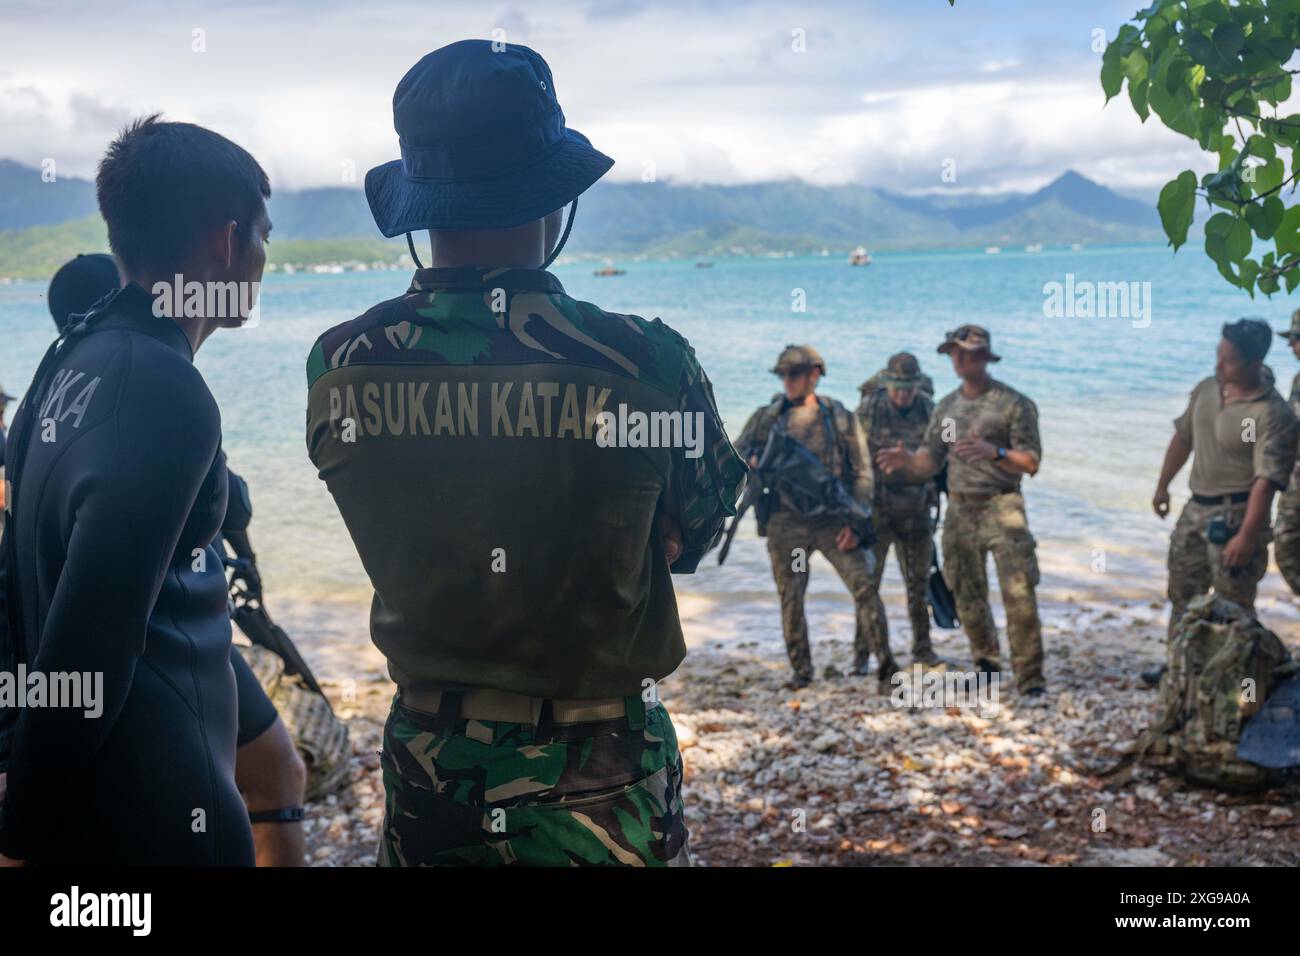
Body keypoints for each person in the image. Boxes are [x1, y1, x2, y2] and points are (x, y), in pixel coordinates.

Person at [305, 40, 745, 867]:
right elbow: (703, 526)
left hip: (431, 767)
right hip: (606, 772)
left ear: (421, 204)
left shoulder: (338, 365)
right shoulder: (649, 361)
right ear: (555, 201)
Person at [0, 116, 270, 866]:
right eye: (263, 238)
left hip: (87, 817)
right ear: (225, 243)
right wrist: (18, 842)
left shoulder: (63, 363)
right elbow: (92, 643)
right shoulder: (165, 391)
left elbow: (18, 591)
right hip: (167, 819)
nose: (262, 262)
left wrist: (20, 790)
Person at [877, 325, 1046, 698]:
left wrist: (997, 453)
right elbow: (931, 461)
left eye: (968, 353)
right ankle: (986, 664)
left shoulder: (1013, 404)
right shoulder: (948, 409)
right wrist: (907, 461)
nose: (960, 359)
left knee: (1018, 593)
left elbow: (1031, 462)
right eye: (954, 353)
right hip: (959, 509)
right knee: (966, 593)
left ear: (985, 357)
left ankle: (1030, 676)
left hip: (1002, 505)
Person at [735, 345, 896, 689]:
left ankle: (886, 669)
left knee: (865, 587)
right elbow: (733, 459)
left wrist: (856, 522)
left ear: (814, 374)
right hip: (786, 523)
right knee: (791, 596)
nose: (787, 380)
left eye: (794, 373)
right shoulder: (768, 418)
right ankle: (802, 672)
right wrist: (749, 464)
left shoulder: (838, 417)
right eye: (783, 374)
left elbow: (863, 473)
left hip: (833, 523)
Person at [1153, 319, 1297, 636]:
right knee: (1182, 595)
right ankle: (1180, 671)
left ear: (1255, 363)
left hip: (1236, 516)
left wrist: (1246, 535)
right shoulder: (1207, 389)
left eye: (1229, 360)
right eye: (1219, 354)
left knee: (1234, 608)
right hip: (1195, 510)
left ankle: (1235, 679)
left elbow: (1267, 481)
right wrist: (1162, 486)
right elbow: (1183, 438)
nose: (1220, 364)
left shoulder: (1274, 414)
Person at [856, 352, 941, 665]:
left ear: (918, 386)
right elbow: (853, 458)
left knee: (918, 585)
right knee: (868, 586)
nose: (904, 394)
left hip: (917, 510)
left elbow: (942, 458)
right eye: (898, 388)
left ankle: (923, 649)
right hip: (877, 511)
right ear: (887, 384)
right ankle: (862, 654)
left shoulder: (930, 411)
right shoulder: (870, 410)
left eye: (909, 388)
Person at [1271, 308, 1300, 595]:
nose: (1292, 345)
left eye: (1297, 338)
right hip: (1294, 485)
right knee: (1286, 547)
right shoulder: (1297, 381)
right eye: (1290, 339)